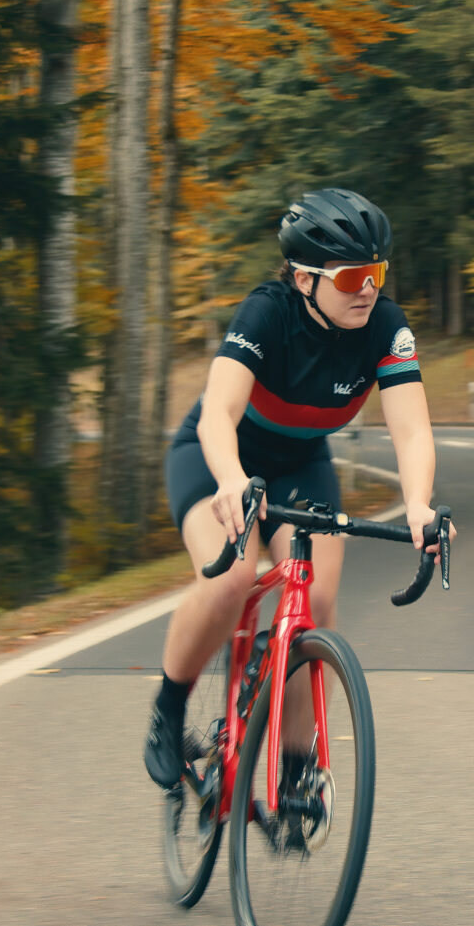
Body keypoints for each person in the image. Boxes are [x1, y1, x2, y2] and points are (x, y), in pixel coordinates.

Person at [144, 187, 446, 789]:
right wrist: (231, 479)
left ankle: (295, 770)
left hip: (300, 463)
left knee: (317, 602)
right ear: (305, 279)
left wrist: (418, 504)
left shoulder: (386, 327)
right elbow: (218, 413)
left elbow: (412, 431)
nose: (368, 289)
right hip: (219, 458)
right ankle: (168, 710)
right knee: (232, 578)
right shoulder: (267, 313)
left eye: (377, 273)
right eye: (352, 277)